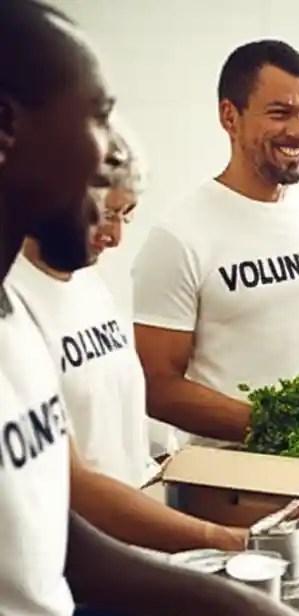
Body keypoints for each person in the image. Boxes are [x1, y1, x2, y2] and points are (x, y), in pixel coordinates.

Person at [0, 3, 299, 616]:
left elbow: (54, 533)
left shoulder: (13, 327)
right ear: (8, 128)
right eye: (97, 116)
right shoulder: (173, 241)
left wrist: (240, 599)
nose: (110, 156)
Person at [7, 124, 246, 559]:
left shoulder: (88, 283)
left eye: (126, 215)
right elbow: (72, 484)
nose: (116, 237)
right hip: (82, 567)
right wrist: (218, 538)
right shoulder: (16, 302)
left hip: (142, 547)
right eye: (104, 215)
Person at [132, 39, 299, 450]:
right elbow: (155, 385)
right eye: (280, 113)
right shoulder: (179, 236)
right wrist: (277, 429)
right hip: (227, 488)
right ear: (230, 117)